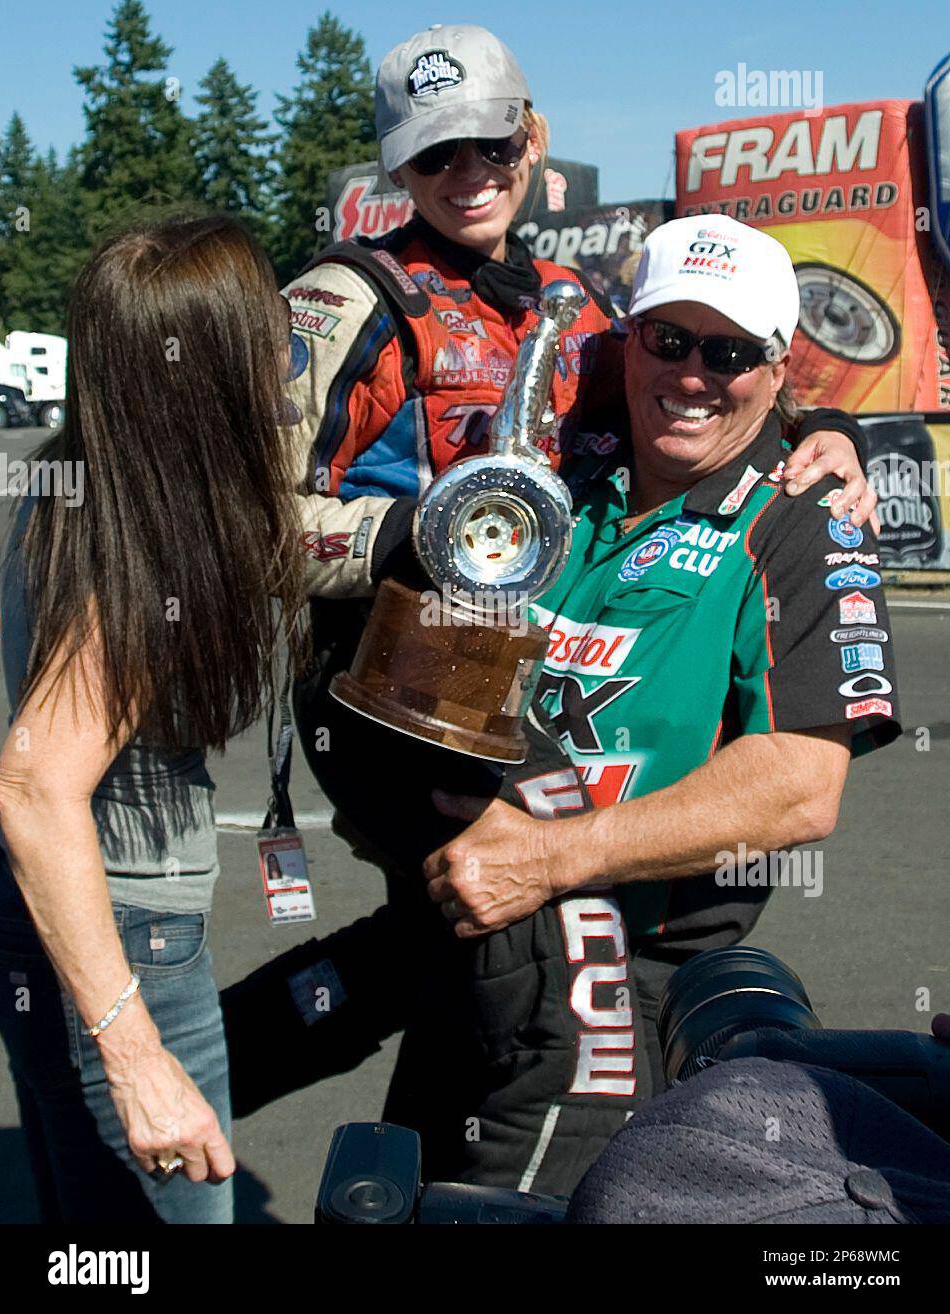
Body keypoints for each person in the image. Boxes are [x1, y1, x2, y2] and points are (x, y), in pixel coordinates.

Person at [223, 26, 875, 1192]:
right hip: (393, 688)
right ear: (394, 167)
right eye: (434, 156)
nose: (468, 172)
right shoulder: (342, 297)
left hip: (559, 808)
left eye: (490, 142)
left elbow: (693, 420)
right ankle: (178, 1069)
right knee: (509, 939)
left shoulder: (580, 312)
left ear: (533, 139)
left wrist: (826, 437)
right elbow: (237, 524)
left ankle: (187, 1065)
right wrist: (410, 539)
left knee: (464, 951)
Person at [421, 215, 902, 1101]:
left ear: (777, 366)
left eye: (729, 355)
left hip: (621, 984)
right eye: (669, 339)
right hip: (474, 931)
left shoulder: (806, 514)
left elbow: (799, 789)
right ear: (628, 344)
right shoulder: (562, 475)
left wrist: (553, 857)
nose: (691, 375)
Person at [0, 216, 307, 1224]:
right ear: (217, 365)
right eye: (271, 332)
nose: (285, 354)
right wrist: (136, 1058)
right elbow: (37, 782)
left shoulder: (80, 480)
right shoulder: (157, 550)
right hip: (124, 937)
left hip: (51, 925)